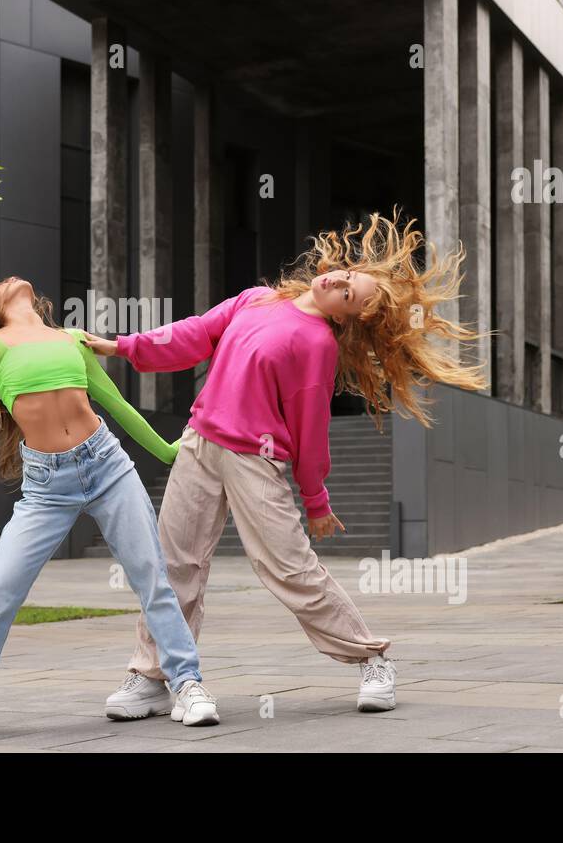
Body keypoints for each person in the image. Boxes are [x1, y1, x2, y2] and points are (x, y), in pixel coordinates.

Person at [88, 211, 488, 718]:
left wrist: (316, 499)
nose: (337, 280)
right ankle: (151, 673)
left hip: (257, 459)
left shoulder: (316, 342)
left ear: (346, 317)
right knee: (173, 565)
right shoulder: (257, 299)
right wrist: (121, 347)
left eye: (348, 293)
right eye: (346, 275)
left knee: (287, 568)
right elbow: (193, 335)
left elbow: (309, 427)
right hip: (200, 445)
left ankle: (371, 658)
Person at [0, 275, 219, 741]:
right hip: (46, 485)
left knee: (153, 578)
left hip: (107, 466)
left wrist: (167, 452)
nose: (8, 278)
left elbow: (116, 404)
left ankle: (187, 685)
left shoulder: (70, 339)